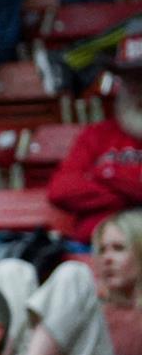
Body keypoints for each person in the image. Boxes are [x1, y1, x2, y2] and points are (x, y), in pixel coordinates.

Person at [47, 57, 142, 240]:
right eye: (132, 81)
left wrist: (106, 176)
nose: (139, 90)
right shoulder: (97, 134)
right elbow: (60, 190)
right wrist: (132, 195)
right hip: (94, 245)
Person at [91, 209, 142, 355]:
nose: (107, 258)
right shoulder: (95, 311)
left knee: (72, 274)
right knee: (16, 272)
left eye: (118, 248)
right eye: (102, 250)